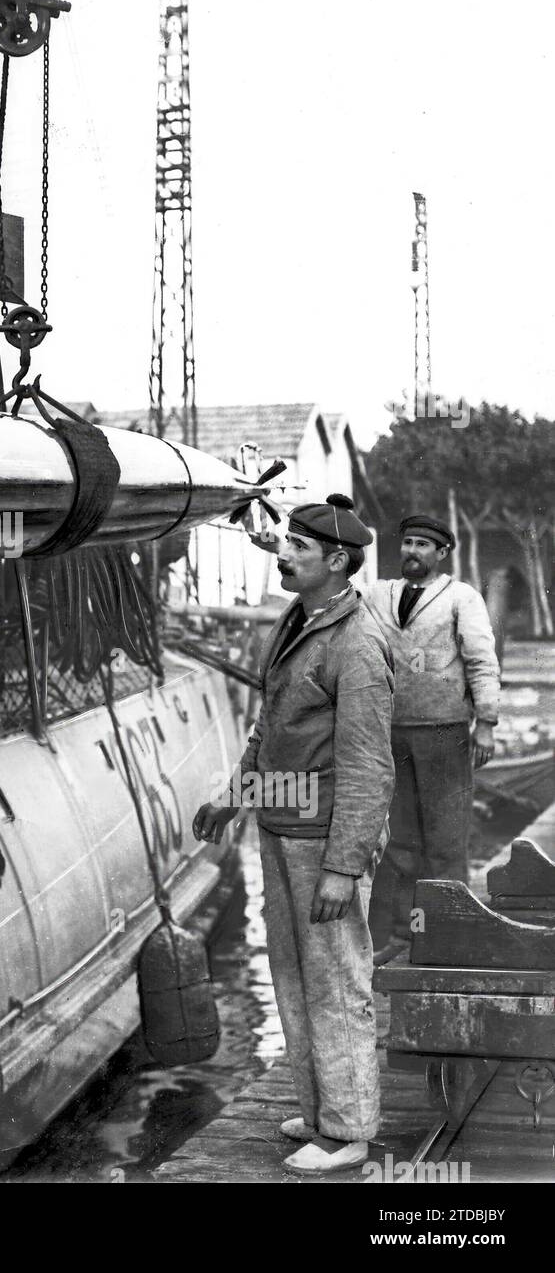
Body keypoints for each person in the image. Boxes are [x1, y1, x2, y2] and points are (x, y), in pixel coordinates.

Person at [194, 494, 394, 1175]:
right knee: (293, 976)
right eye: (283, 544)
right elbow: (274, 728)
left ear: (336, 561)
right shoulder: (301, 620)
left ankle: (347, 1131)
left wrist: (344, 866)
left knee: (336, 981)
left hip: (322, 838)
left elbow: (367, 764)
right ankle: (318, 1112)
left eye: (295, 550)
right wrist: (234, 799)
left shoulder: (356, 642)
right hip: (283, 826)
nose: (281, 555)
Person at [364, 514, 500, 964]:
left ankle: (451, 936)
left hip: (446, 735)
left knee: (445, 842)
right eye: (407, 543)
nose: (412, 552)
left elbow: (481, 659)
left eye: (423, 545)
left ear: (441, 554)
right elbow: (335, 587)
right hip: (394, 733)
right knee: (402, 843)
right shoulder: (381, 593)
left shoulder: (460, 597)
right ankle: (405, 935)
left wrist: (487, 721)